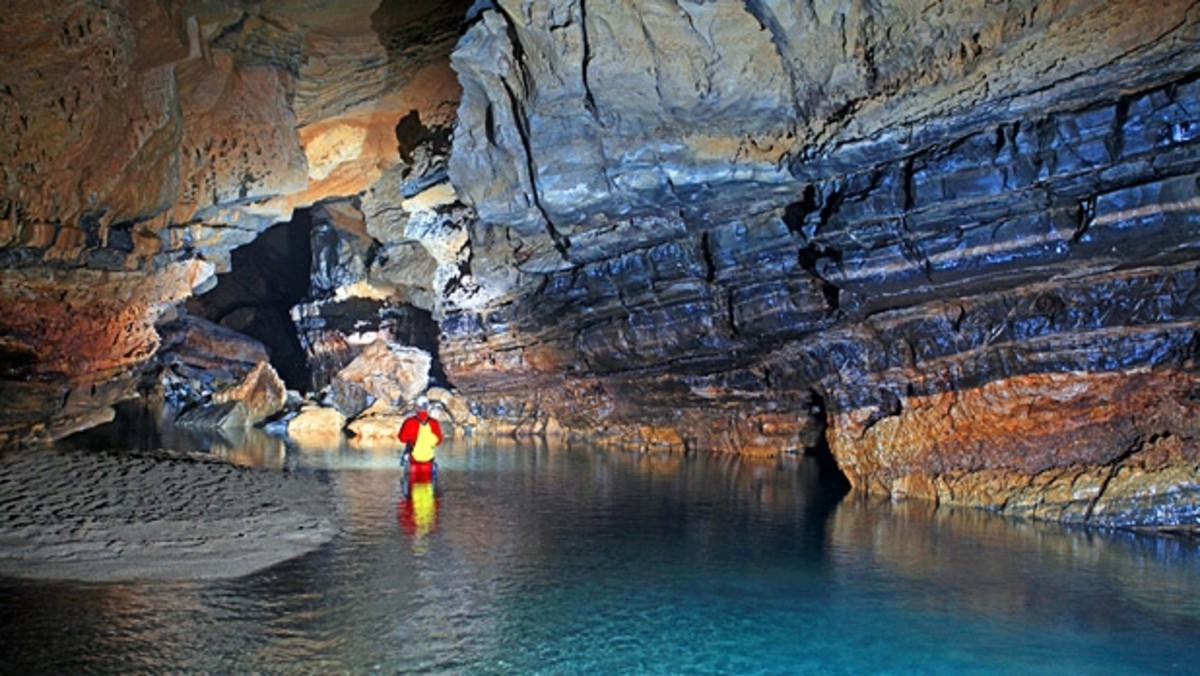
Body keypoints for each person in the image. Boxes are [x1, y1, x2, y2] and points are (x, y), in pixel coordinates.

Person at [398, 406, 442, 481]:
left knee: (404, 459)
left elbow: (402, 439)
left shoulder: (409, 421)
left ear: (417, 409)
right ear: (427, 409)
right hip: (428, 459)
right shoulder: (434, 423)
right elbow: (438, 441)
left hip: (413, 458)